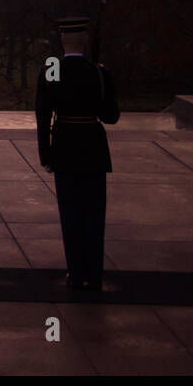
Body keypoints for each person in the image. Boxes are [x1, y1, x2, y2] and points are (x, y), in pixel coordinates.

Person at [34, 15, 120, 292]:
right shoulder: (99, 73)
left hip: (64, 148)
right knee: (94, 217)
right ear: (84, 39)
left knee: (70, 215)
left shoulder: (52, 70)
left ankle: (75, 271)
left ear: (62, 39)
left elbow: (43, 114)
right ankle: (93, 275)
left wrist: (45, 153)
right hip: (93, 149)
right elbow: (111, 116)